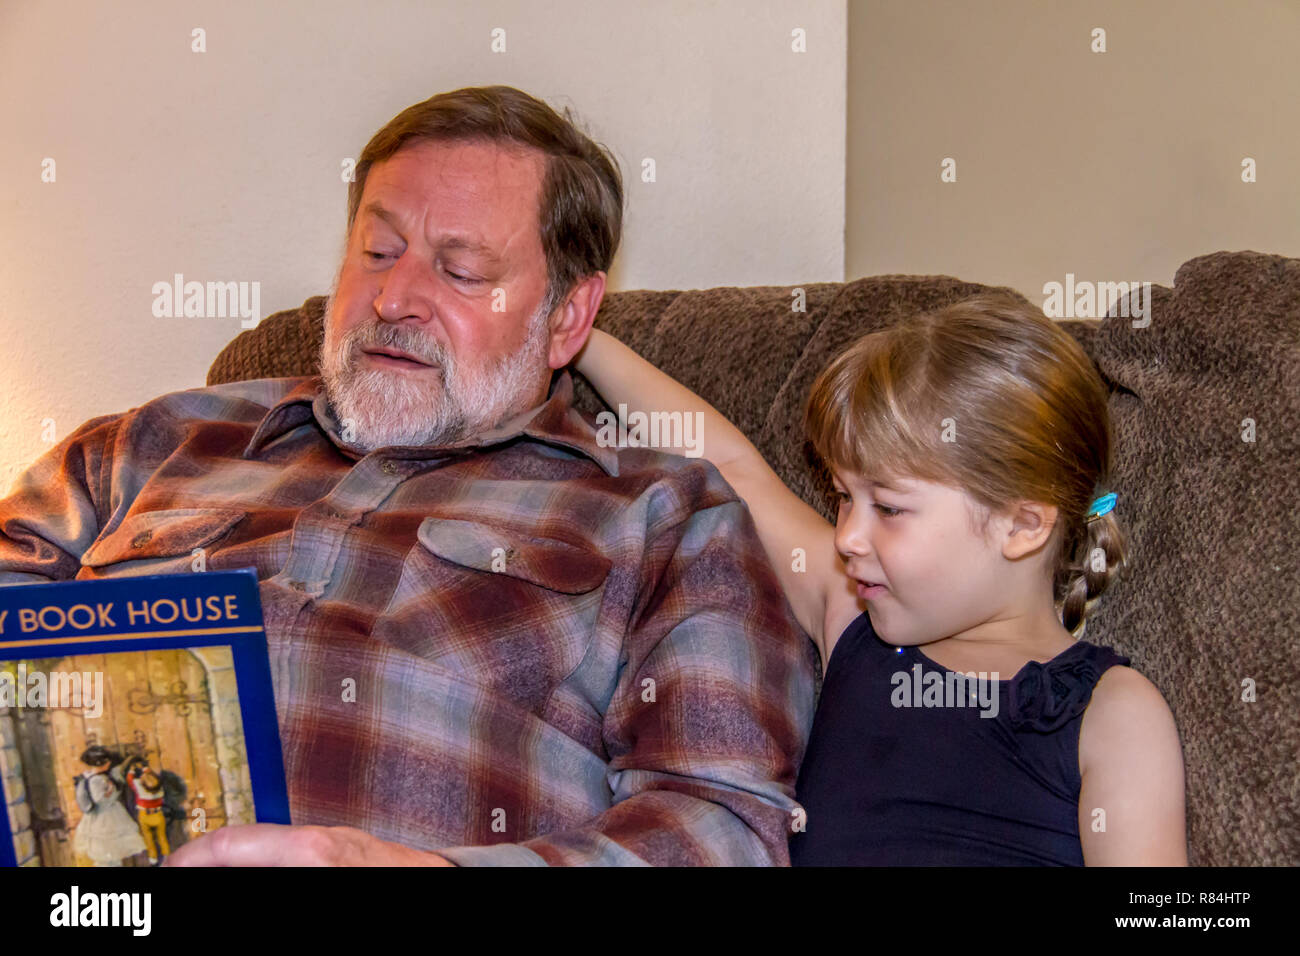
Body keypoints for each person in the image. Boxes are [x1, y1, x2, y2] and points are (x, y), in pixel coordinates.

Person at [0, 86, 817, 866]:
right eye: (378, 252)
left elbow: (723, 831)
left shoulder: (666, 518)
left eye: (460, 271)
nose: (394, 298)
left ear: (567, 316)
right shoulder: (155, 441)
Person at [574, 293, 1188, 865]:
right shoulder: (855, 622)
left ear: (1022, 525)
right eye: (843, 498)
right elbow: (728, 465)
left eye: (889, 508)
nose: (846, 537)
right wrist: (578, 335)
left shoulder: (1111, 712)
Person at [72, 746, 148, 866]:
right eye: (107, 761)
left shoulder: (103, 776)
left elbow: (119, 770)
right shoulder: (96, 780)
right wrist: (114, 791)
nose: (109, 763)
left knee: (114, 852)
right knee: (106, 851)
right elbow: (101, 800)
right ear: (100, 763)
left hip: (110, 814)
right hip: (104, 817)